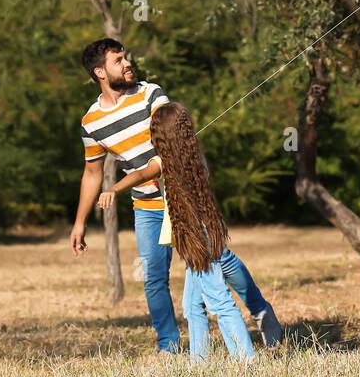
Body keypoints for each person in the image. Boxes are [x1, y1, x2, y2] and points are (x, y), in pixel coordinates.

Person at [70, 38, 282, 353]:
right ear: (100, 72)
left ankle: (261, 311)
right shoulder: (92, 123)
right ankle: (168, 345)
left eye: (127, 57)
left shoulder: (150, 94)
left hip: (184, 199)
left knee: (219, 259)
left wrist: (123, 185)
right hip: (147, 206)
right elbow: (91, 173)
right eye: (119, 60)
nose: (128, 64)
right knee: (154, 277)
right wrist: (80, 222)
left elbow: (171, 146)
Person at [103, 101, 278, 360]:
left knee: (220, 302)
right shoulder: (195, 158)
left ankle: (246, 360)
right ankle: (199, 361)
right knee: (192, 305)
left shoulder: (163, 162)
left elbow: (141, 174)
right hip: (201, 235)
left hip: (196, 238)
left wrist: (114, 189)